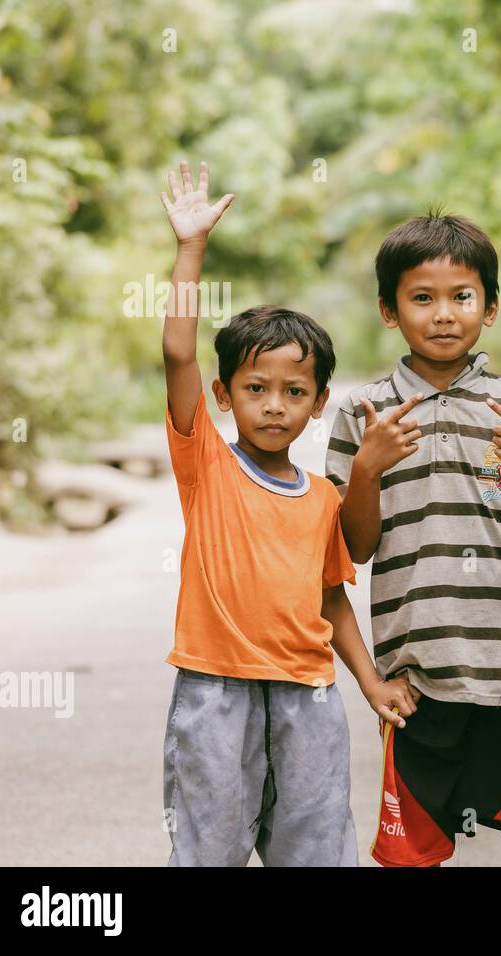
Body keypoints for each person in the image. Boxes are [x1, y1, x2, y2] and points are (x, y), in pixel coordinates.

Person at [159, 161, 401, 866]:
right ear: (223, 394)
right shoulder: (204, 462)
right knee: (207, 850)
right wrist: (191, 247)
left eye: (294, 391)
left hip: (310, 699)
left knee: (317, 849)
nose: (274, 405)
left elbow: (332, 599)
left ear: (319, 402)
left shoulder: (323, 496)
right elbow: (176, 351)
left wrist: (370, 682)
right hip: (216, 691)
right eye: (255, 388)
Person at [325, 212, 501, 867]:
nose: (443, 314)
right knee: (413, 850)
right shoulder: (363, 413)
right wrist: (366, 470)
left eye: (461, 296)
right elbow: (354, 548)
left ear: (489, 307)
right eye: (422, 297)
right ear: (389, 311)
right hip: (417, 674)